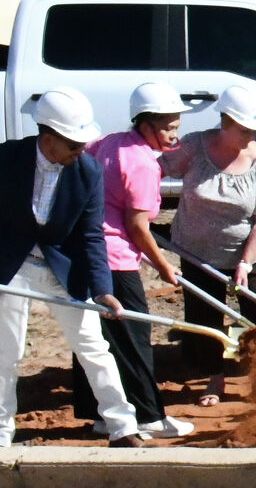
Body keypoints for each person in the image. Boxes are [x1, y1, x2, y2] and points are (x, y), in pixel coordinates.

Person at [0, 87, 145, 448]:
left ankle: (122, 427)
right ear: (48, 138)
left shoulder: (87, 171)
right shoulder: (6, 158)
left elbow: (92, 236)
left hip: (64, 268)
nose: (80, 152)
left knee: (93, 346)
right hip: (12, 265)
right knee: (5, 352)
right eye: (74, 145)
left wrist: (103, 289)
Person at [73, 82, 193, 438]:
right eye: (168, 126)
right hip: (114, 258)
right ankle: (148, 417)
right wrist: (163, 265)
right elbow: (138, 226)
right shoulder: (142, 163)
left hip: (86, 251)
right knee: (133, 337)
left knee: (97, 336)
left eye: (176, 125)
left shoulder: (109, 142)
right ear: (145, 124)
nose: (175, 134)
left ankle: (101, 414)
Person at [165, 84, 256, 406]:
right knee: (205, 316)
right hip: (197, 251)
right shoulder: (192, 147)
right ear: (225, 121)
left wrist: (245, 262)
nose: (250, 137)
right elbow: (156, 169)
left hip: (253, 253)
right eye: (244, 130)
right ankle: (213, 380)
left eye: (254, 130)